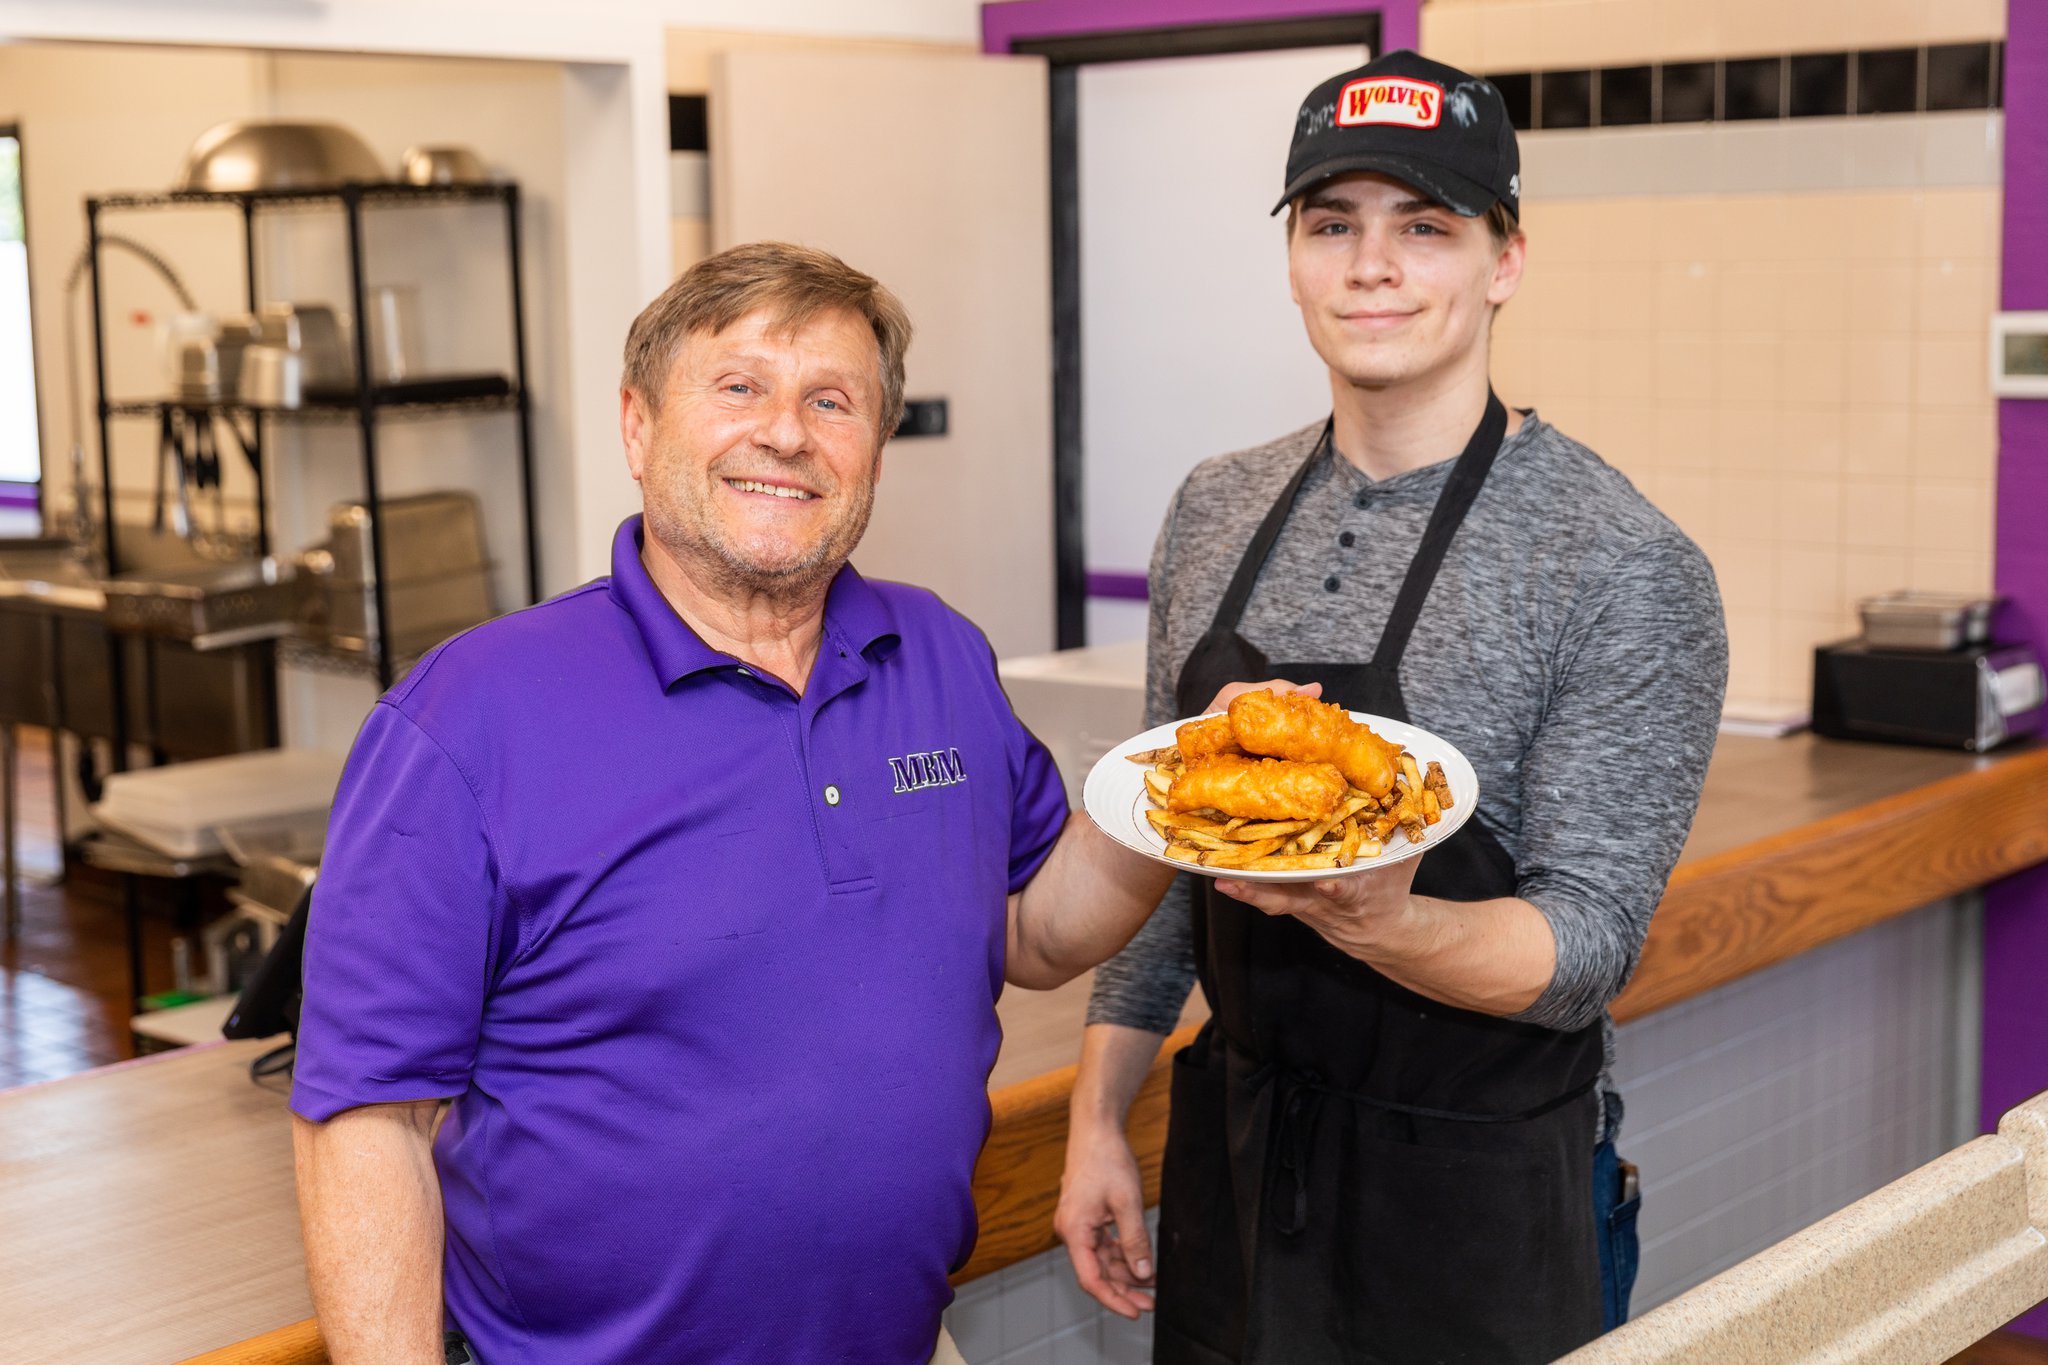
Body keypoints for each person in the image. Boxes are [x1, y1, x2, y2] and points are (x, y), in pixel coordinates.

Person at [289, 242, 1177, 1365]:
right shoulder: (467, 715)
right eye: (739, 386)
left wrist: (1181, 796)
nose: (787, 433)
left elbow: (1030, 931)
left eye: (831, 400)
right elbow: (365, 1119)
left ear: (874, 449)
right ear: (636, 427)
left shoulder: (938, 652)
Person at [1053, 50, 1728, 1364]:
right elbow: (1172, 855)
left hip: (1473, 1203)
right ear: (1296, 258)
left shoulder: (1618, 560)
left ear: (1505, 259)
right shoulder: (1214, 510)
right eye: (1331, 225)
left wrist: (1382, 921)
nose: (1372, 266)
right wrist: (1097, 1119)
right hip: (1236, 1166)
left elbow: (1586, 947)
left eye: (1425, 225)